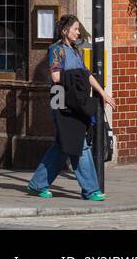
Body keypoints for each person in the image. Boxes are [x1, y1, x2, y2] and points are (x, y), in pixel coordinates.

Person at [27, 13, 114, 202]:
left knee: (63, 145)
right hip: (61, 102)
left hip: (74, 102)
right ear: (65, 31)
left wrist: (103, 93)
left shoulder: (75, 50)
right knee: (79, 144)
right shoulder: (56, 50)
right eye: (75, 29)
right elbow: (56, 77)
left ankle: (38, 183)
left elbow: (87, 74)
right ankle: (91, 190)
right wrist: (79, 76)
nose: (78, 32)